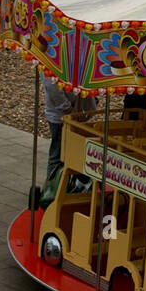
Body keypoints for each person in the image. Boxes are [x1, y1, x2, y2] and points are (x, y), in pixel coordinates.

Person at [40, 76, 96, 207]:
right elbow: (53, 89)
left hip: (70, 113)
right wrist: (67, 108)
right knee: (57, 154)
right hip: (61, 116)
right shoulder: (52, 65)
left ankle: (63, 187)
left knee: (67, 151)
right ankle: (52, 191)